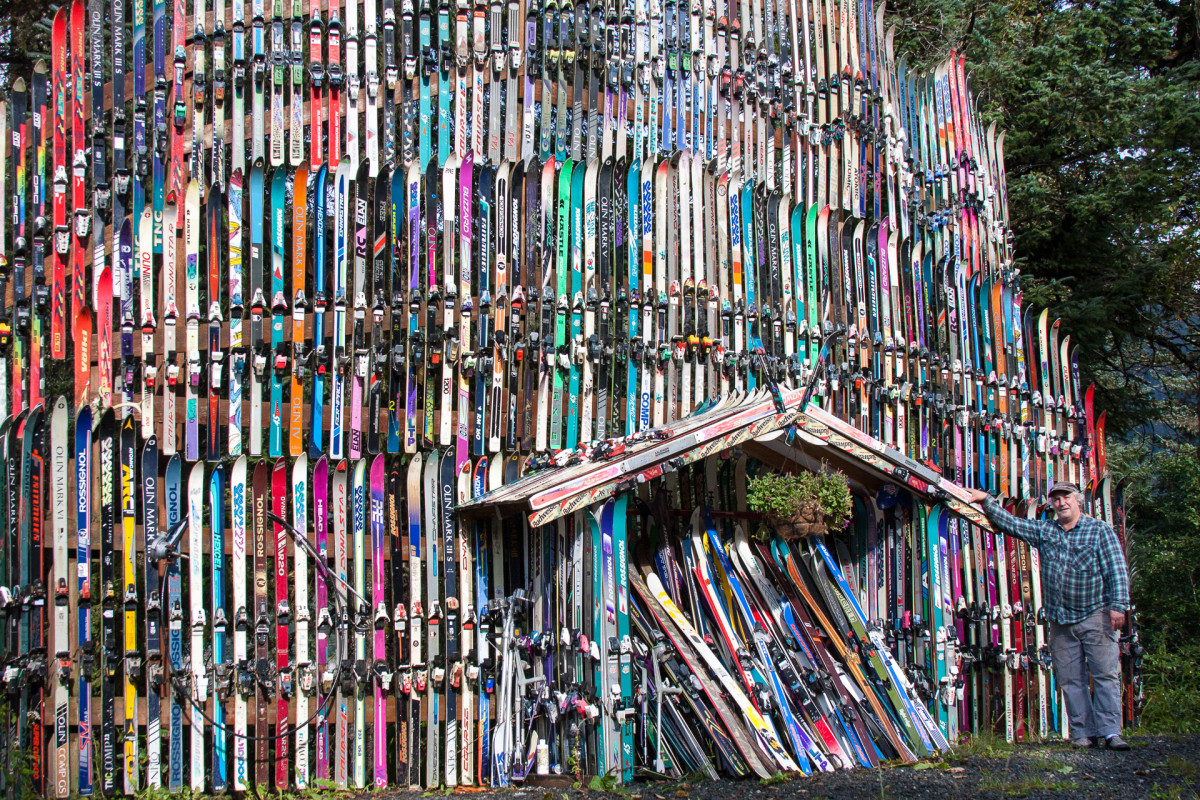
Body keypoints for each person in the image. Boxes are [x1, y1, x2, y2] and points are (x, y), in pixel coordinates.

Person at [965, 481, 1131, 751]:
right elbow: (1011, 524)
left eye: (1066, 497)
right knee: (1070, 679)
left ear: (1078, 500)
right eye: (1056, 499)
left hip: (1096, 614)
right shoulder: (1046, 531)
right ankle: (1083, 733)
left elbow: (1117, 568)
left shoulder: (1099, 530)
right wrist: (986, 500)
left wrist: (1118, 605)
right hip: (1060, 619)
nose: (1061, 503)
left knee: (1105, 675)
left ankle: (1111, 732)